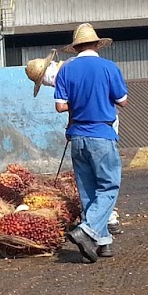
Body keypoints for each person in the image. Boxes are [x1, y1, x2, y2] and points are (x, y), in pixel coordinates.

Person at [50, 23, 128, 263]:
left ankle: (102, 243)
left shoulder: (66, 71)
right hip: (101, 135)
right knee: (108, 187)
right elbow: (122, 101)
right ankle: (86, 230)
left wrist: (80, 103)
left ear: (75, 48)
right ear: (97, 44)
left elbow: (61, 106)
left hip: (77, 136)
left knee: (88, 190)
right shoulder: (109, 68)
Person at [25, 52, 122, 234]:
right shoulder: (75, 67)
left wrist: (80, 108)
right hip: (97, 126)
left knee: (98, 181)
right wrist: (71, 124)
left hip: (96, 128)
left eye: (44, 81)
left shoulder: (64, 73)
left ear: (47, 72)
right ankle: (100, 228)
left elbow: (64, 106)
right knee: (100, 179)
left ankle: (95, 224)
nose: (47, 84)